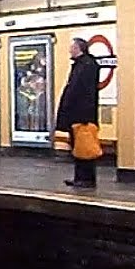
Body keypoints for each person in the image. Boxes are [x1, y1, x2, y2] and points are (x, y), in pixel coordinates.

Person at [54, 38, 101, 188]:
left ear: (78, 48)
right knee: (79, 146)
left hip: (83, 115)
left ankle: (86, 179)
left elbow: (81, 91)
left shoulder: (86, 65)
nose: (69, 50)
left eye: (72, 47)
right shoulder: (81, 65)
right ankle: (80, 177)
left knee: (85, 147)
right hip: (77, 115)